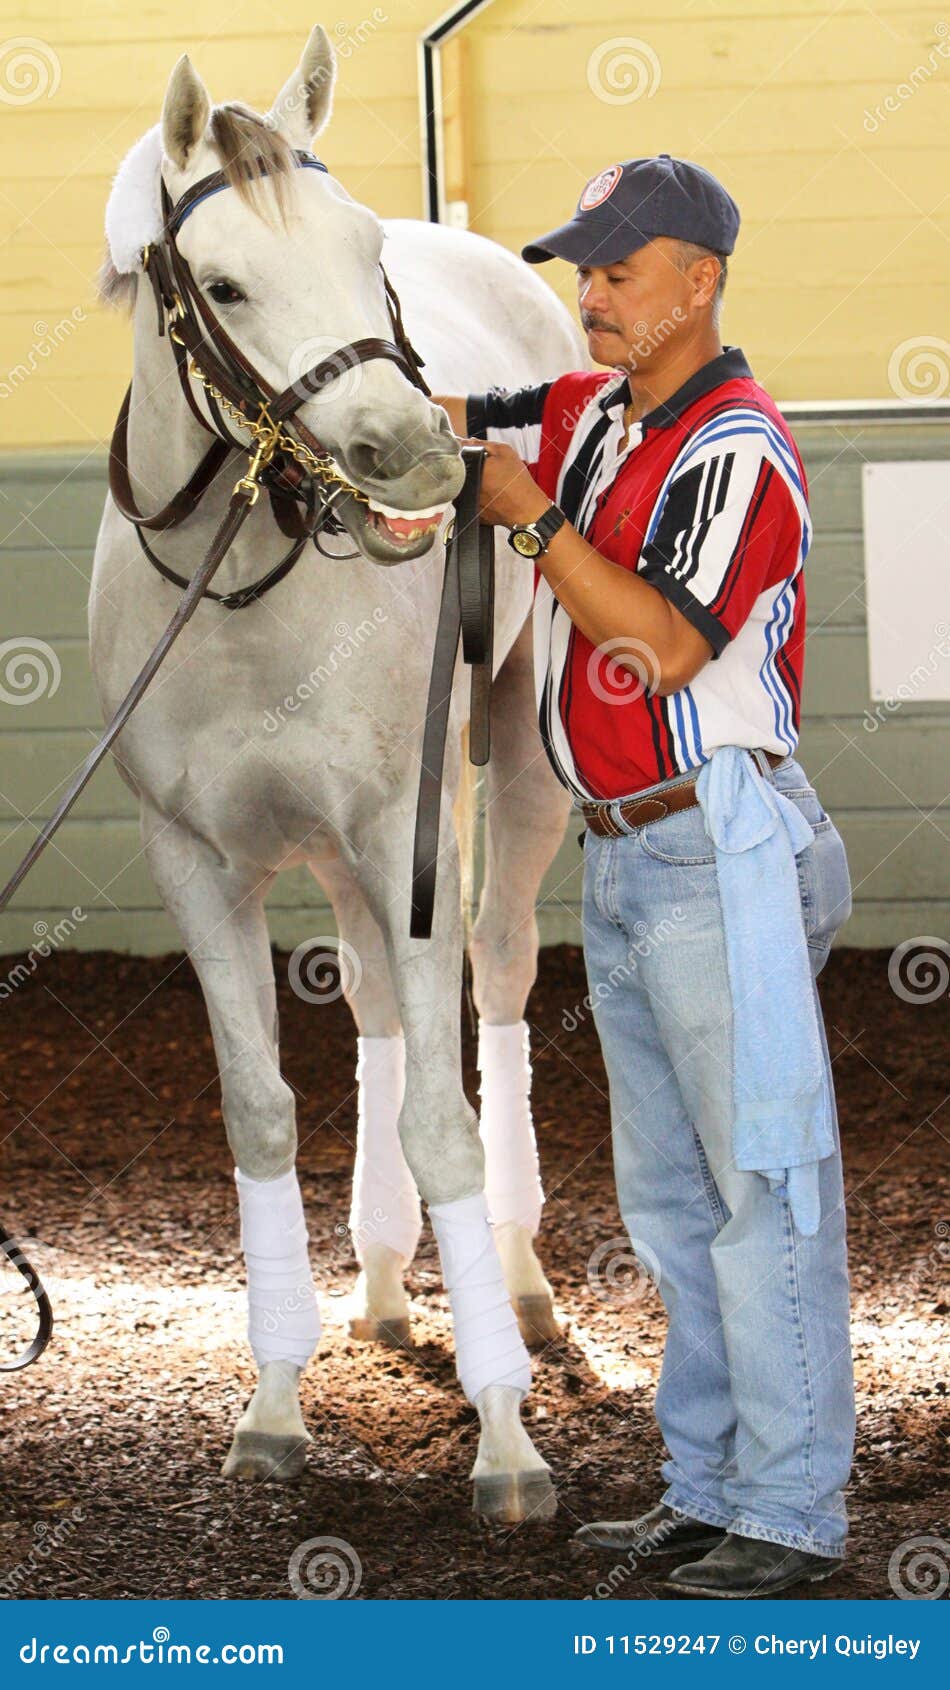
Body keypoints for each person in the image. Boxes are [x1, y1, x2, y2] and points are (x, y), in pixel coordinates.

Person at [433, 154, 855, 1599]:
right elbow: (443, 423)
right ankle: (709, 1482)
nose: (591, 297)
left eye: (618, 271)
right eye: (584, 272)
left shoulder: (738, 449)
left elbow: (664, 645)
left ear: (700, 279)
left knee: (763, 1188)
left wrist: (528, 518)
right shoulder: (593, 414)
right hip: (624, 854)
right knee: (673, 1198)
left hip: (712, 842)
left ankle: (788, 1510)